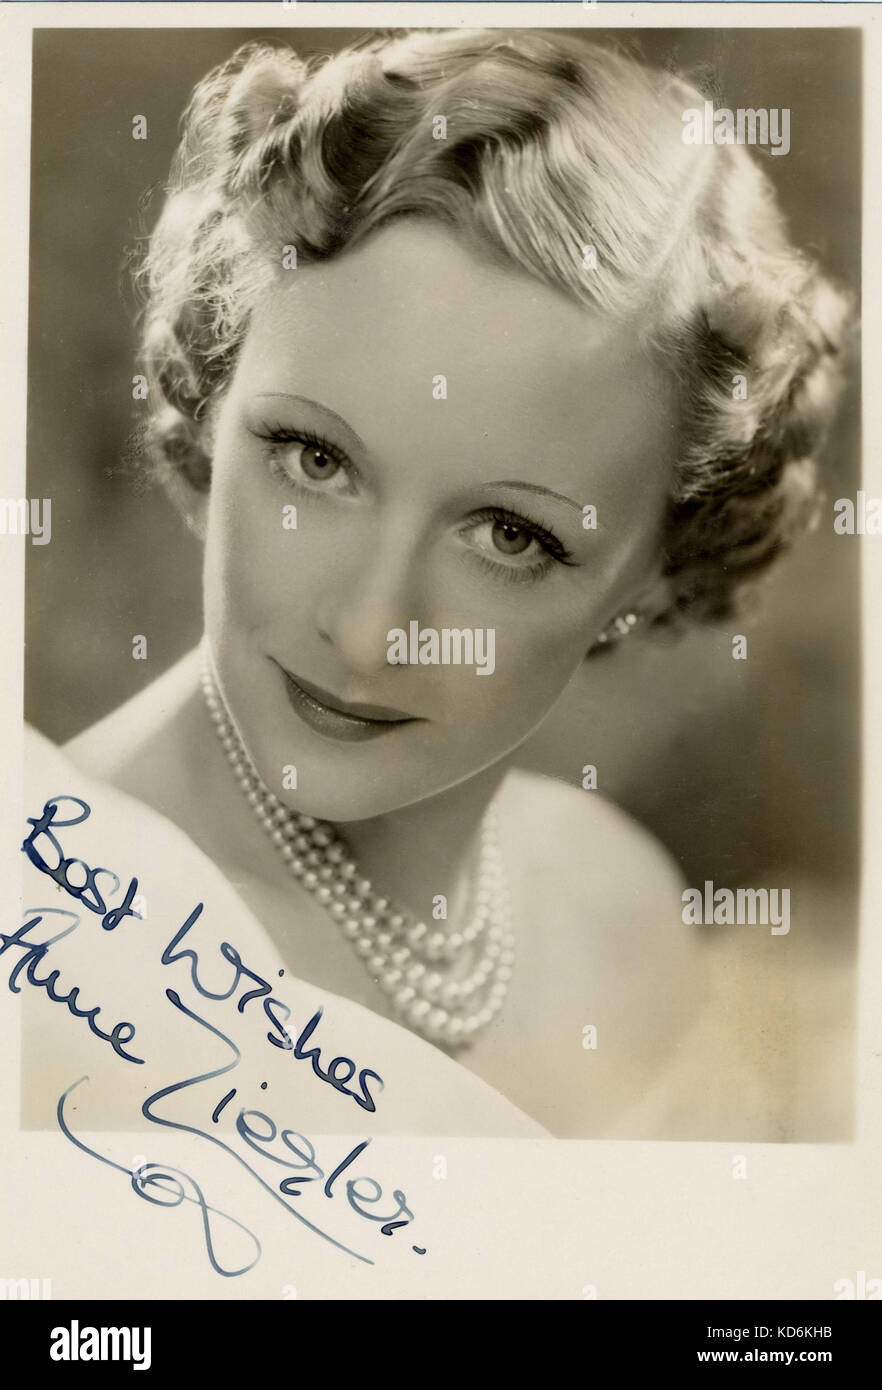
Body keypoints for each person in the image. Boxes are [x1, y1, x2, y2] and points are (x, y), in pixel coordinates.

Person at [57, 28, 851, 1138]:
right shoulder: (40, 917)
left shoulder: (618, 905)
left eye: (511, 535)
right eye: (315, 460)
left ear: (661, 569)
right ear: (209, 399)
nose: (371, 625)